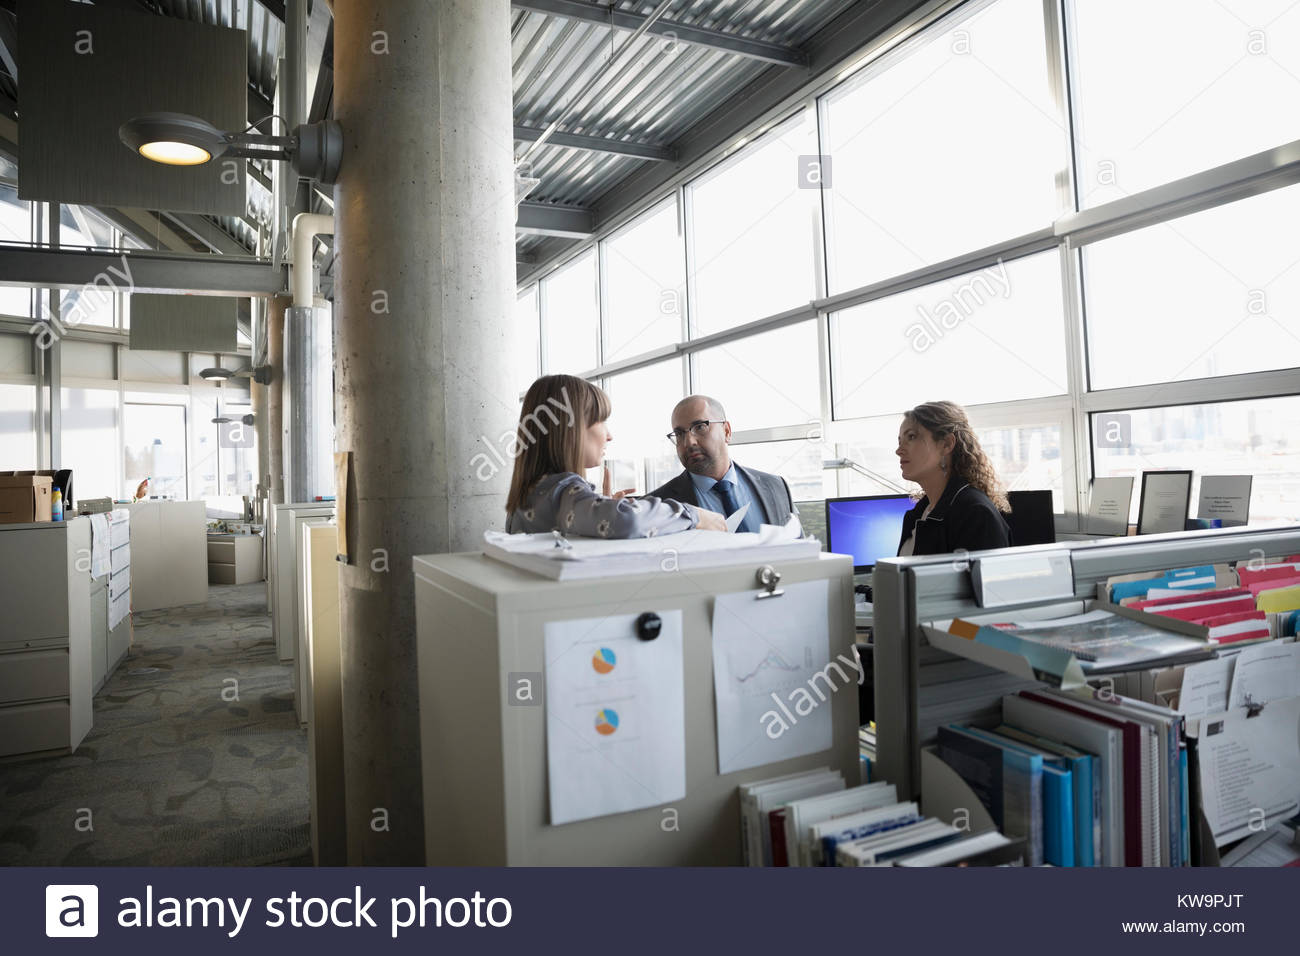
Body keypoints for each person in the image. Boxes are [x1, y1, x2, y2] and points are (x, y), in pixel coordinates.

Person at [505, 374, 726, 537]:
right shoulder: (564, 491)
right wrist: (693, 515)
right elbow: (626, 520)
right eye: (601, 421)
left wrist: (598, 507)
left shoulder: (529, 495)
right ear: (571, 430)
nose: (609, 436)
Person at [648, 395, 796, 532]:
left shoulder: (776, 486)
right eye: (680, 434)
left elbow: (797, 548)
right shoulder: (658, 506)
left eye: (700, 427)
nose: (689, 442)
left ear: (726, 431)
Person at [895, 401, 1011, 557]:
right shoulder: (918, 514)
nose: (899, 450)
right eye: (900, 440)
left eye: (911, 437)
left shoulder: (976, 514)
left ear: (947, 444)